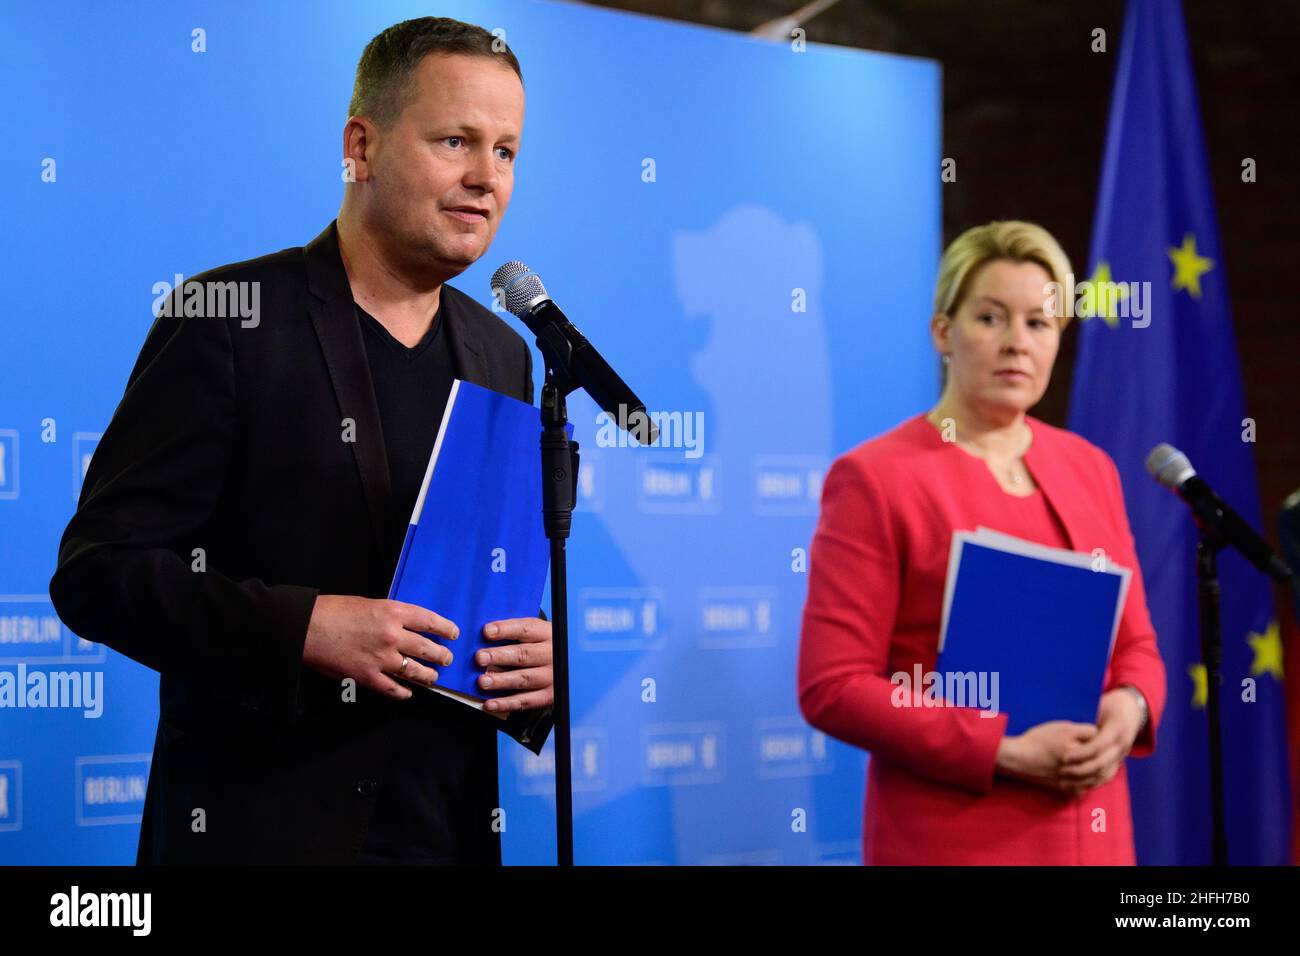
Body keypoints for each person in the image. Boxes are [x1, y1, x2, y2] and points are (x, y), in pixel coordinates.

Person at [48, 17, 554, 865]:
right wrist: (303, 628)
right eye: (455, 140)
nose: (483, 179)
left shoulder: (504, 351)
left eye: (505, 151)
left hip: (446, 832)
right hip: (259, 836)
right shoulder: (226, 318)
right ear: (361, 144)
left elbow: (471, 579)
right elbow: (99, 574)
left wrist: (532, 665)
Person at [797, 220, 1166, 864]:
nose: (1017, 344)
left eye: (1040, 324)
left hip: (1093, 827)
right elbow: (834, 684)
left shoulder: (1092, 468)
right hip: (955, 832)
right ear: (943, 331)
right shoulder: (876, 477)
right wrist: (1001, 748)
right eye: (991, 318)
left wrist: (1128, 711)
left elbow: (1136, 645)